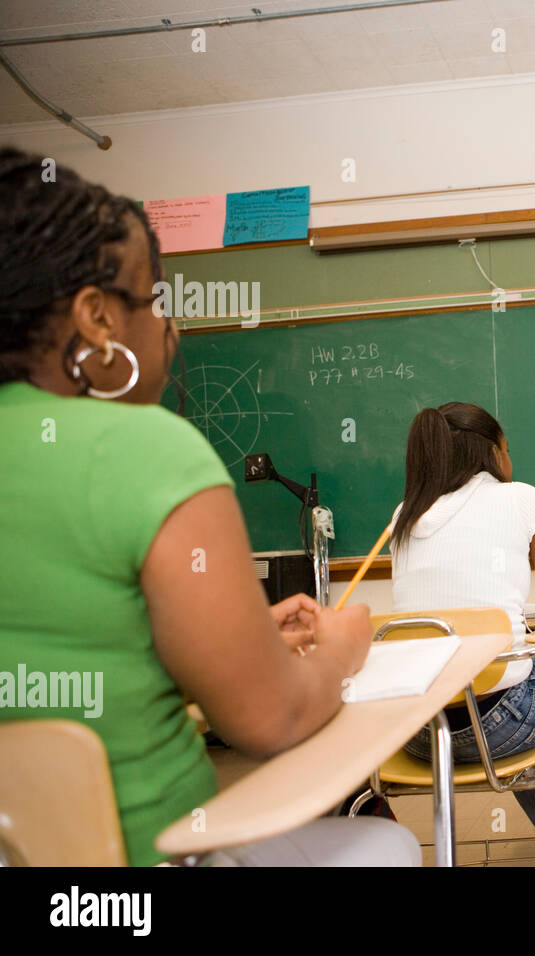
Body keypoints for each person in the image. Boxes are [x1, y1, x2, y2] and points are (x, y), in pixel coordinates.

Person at [0, 148, 419, 866]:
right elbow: (270, 718)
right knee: (387, 845)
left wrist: (240, 638)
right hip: (146, 863)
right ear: (97, 319)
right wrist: (344, 649)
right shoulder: (148, 448)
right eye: (153, 300)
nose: (169, 329)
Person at [389, 402, 535, 855]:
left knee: (524, 687)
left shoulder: (403, 514)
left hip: (417, 732)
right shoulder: (520, 497)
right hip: (500, 727)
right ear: (493, 451)